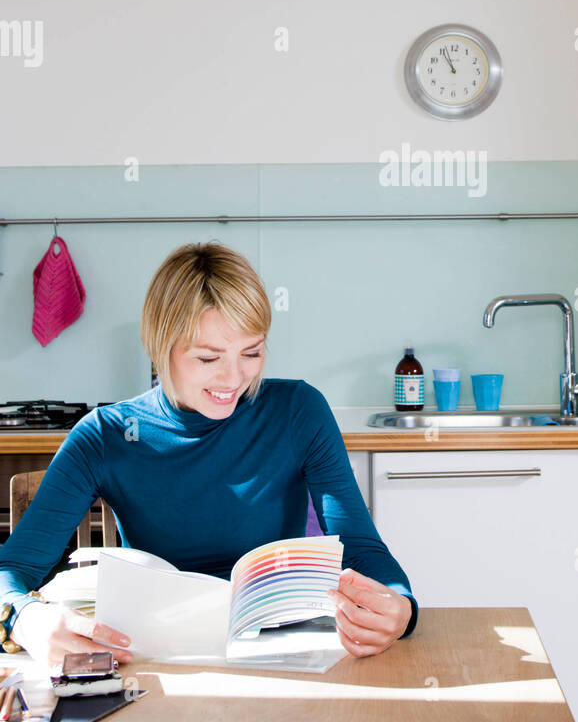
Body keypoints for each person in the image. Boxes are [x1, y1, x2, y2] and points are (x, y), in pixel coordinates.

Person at [0, 242, 417, 669]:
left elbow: (363, 550)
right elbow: (10, 572)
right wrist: (25, 620)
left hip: (284, 656)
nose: (233, 378)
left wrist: (400, 607)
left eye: (251, 353)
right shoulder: (105, 436)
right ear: (161, 347)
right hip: (156, 663)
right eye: (208, 357)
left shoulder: (299, 411)